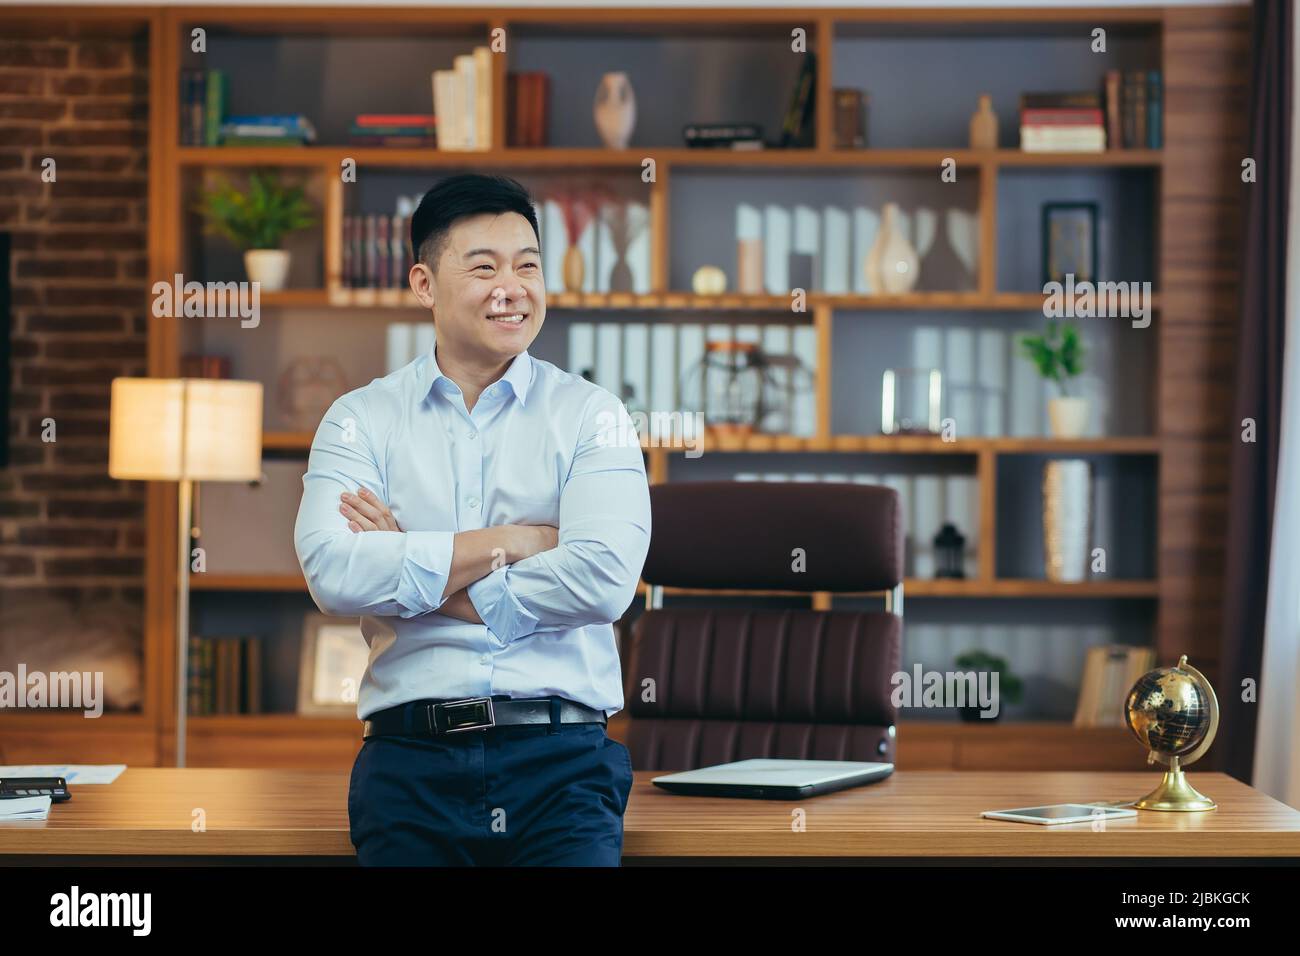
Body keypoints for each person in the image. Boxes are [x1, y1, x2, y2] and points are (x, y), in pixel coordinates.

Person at [293, 174, 650, 866]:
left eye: (528, 266)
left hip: (562, 765)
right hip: (409, 765)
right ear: (424, 283)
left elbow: (603, 582)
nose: (511, 288)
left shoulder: (593, 416)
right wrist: (518, 542)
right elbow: (334, 574)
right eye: (484, 267)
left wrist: (412, 563)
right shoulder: (359, 419)